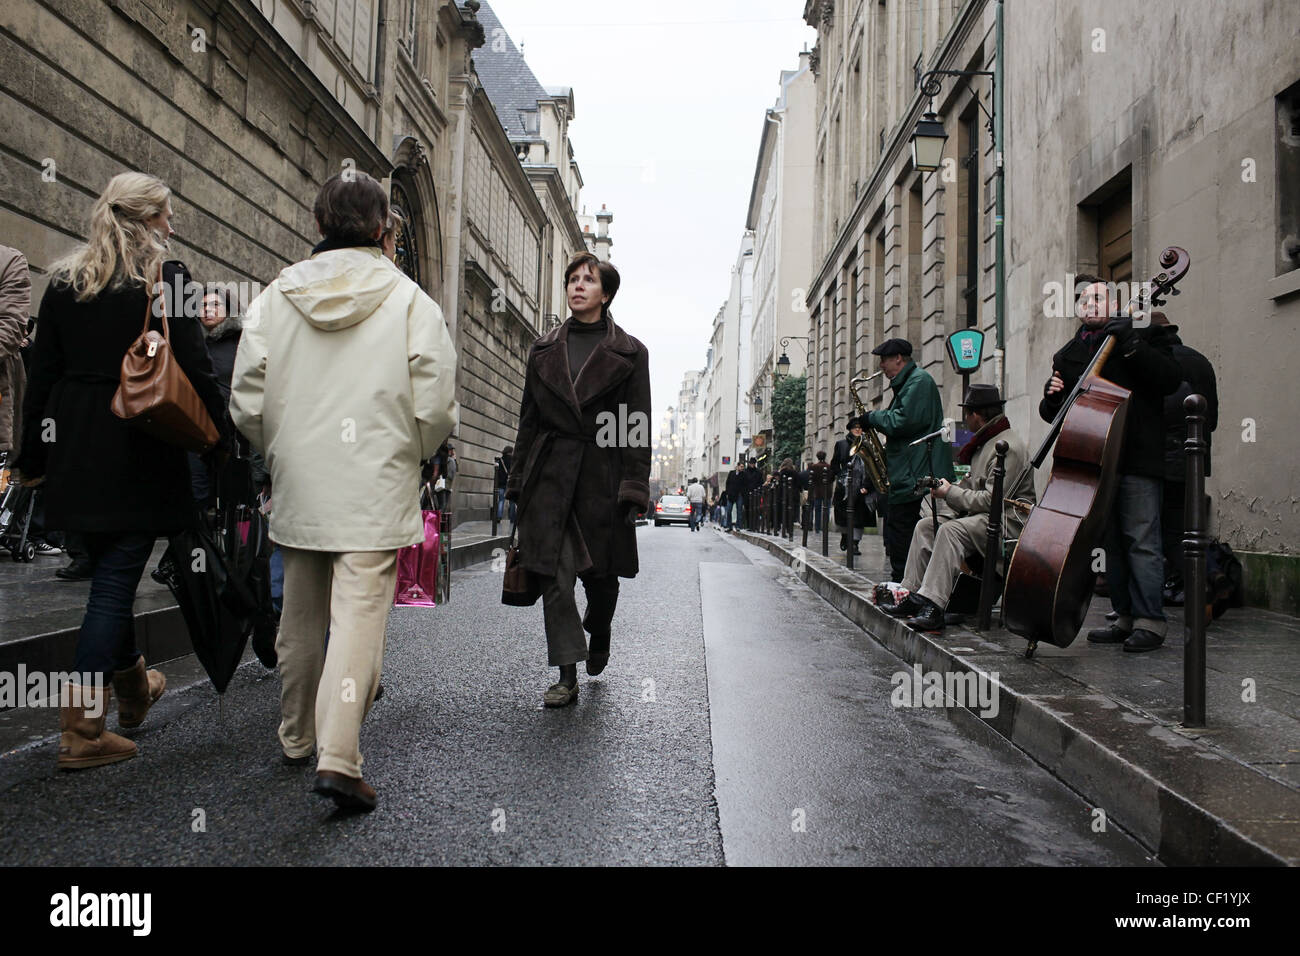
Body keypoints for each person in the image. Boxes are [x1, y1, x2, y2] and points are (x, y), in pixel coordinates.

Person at [230, 170, 457, 811]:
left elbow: (247, 397)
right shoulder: (410, 300)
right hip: (376, 475)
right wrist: (408, 451)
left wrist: (279, 449)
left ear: (319, 224)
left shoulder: (277, 296)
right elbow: (436, 402)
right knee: (358, 617)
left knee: (299, 612)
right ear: (384, 229)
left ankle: (297, 735)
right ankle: (338, 754)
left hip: (300, 475)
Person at [12, 172, 227, 769]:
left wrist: (30, 456)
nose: (173, 227)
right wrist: (220, 437)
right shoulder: (167, 280)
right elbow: (195, 365)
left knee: (111, 570)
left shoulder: (64, 281)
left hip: (72, 447)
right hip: (138, 442)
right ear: (149, 221)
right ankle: (82, 731)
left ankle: (134, 689)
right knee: (112, 585)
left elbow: (41, 377)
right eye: (166, 216)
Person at [506, 252, 650, 707]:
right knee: (554, 577)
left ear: (605, 294)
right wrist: (518, 480)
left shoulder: (630, 353)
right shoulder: (543, 349)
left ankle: (601, 626)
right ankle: (566, 673)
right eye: (572, 279)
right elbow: (528, 419)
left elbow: (635, 423)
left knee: (602, 579)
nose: (577, 286)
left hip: (601, 475)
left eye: (588, 280)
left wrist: (632, 484)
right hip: (550, 476)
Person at [1041, 275, 1182, 653]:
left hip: (1136, 455)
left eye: (1097, 297)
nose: (1089, 303)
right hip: (1093, 461)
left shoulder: (1144, 333)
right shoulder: (1068, 352)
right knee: (1111, 543)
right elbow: (1058, 412)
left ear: (1114, 303)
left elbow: (1170, 379)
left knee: (1141, 539)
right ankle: (1123, 616)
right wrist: (1051, 398)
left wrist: (1132, 342)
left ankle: (1150, 620)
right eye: (1082, 299)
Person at [883, 385, 1036, 632]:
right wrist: (946, 492)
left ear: (977, 415)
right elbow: (971, 486)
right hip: (985, 518)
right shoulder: (987, 442)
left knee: (951, 531)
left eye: (967, 414)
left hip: (1008, 523)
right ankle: (912, 594)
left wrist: (950, 493)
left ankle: (934, 606)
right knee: (926, 526)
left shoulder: (1007, 446)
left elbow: (992, 501)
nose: (965, 420)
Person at [863, 338, 954, 581]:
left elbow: (902, 421)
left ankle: (903, 582)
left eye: (884, 360)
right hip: (909, 466)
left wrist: (872, 418)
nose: (881, 366)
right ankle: (903, 579)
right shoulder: (910, 383)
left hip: (915, 468)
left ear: (898, 359)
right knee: (900, 526)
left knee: (902, 527)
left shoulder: (918, 381)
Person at [1151, 311, 1218, 604]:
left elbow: (1161, 416)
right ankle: (1209, 577)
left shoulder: (1161, 365)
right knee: (1189, 527)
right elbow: (1211, 418)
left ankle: (1202, 582)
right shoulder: (1200, 359)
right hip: (1196, 456)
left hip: (1167, 459)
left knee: (1169, 529)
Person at [830, 418, 872, 554]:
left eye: (860, 427)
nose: (858, 430)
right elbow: (834, 464)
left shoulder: (867, 445)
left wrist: (866, 485)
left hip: (861, 485)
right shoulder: (841, 444)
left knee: (859, 516)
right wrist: (840, 476)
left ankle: (854, 544)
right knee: (843, 515)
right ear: (850, 429)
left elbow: (871, 467)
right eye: (855, 428)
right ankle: (845, 536)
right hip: (844, 486)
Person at [808, 450, 831, 534]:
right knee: (827, 510)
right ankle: (825, 527)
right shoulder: (828, 466)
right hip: (827, 491)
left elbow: (812, 478)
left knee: (817, 510)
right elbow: (832, 478)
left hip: (817, 491)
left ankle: (817, 528)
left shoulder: (814, 466)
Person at [495, 445, 515, 533]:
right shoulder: (513, 461)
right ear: (511, 452)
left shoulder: (500, 460)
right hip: (510, 484)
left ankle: (499, 517)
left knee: (501, 501)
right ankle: (512, 518)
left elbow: (497, 473)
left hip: (500, 484)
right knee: (511, 502)